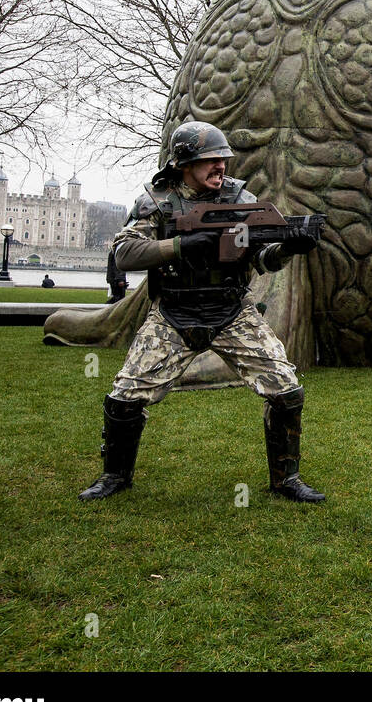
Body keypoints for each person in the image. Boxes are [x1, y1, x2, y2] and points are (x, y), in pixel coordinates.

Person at [77, 122, 324, 503]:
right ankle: (114, 476)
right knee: (126, 396)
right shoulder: (157, 201)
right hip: (174, 313)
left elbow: (263, 259)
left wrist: (289, 247)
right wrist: (181, 246)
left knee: (285, 389)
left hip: (232, 311)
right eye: (210, 160)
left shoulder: (241, 199)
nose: (220, 166)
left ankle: (286, 479)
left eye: (223, 159)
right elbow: (124, 254)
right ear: (184, 164)